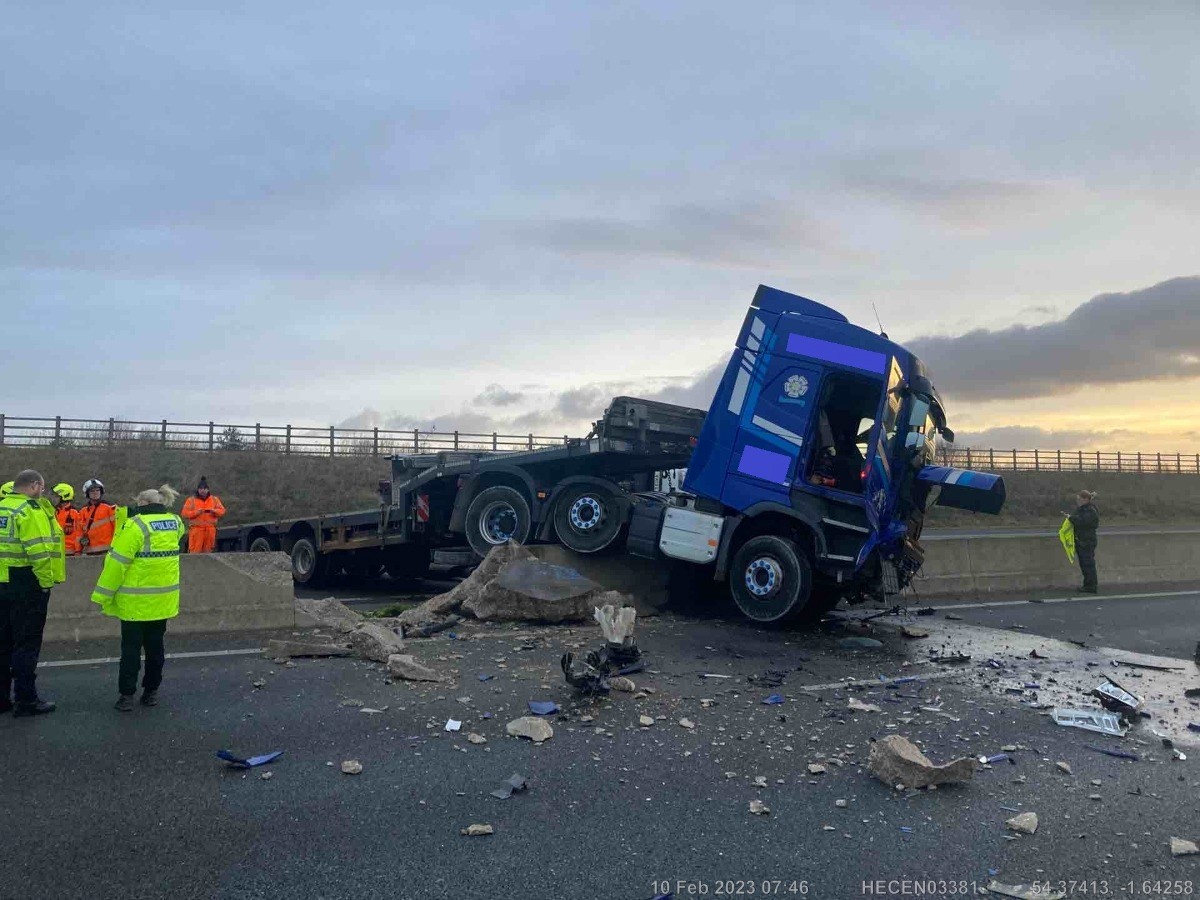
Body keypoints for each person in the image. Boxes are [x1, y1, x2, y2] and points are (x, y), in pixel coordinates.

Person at [91, 485, 185, 711]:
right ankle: (151, 693)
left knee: (131, 650)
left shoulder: (135, 526)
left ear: (141, 504)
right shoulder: (176, 523)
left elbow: (117, 563)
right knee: (156, 649)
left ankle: (126, 696)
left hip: (135, 602)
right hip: (163, 601)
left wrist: (103, 595)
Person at [0, 470, 61, 716]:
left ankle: (2, 699)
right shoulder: (29, 510)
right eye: (42, 488)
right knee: (26, 643)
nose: (42, 492)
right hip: (25, 582)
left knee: (3, 642)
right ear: (34, 485)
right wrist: (45, 583)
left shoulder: (3, 507)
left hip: (2, 580)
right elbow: (38, 552)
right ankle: (26, 700)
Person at [181, 476, 225, 553]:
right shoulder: (191, 500)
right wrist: (196, 513)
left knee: (208, 553)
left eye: (204, 489)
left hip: (210, 530)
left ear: (208, 489)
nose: (202, 490)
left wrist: (214, 511)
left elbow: (222, 511)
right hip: (196, 531)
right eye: (200, 489)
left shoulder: (215, 499)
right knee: (194, 553)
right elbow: (184, 513)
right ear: (198, 490)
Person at [1068, 489, 1100, 593]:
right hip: (1082, 541)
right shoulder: (1084, 509)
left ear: (1085, 499)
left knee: (1088, 565)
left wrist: (1071, 519)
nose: (1078, 501)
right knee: (1085, 565)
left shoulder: (1090, 510)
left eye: (1080, 499)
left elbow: (1084, 522)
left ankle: (1091, 586)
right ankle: (1087, 585)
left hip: (1087, 541)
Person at [79, 477, 118, 555]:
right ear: (87, 493)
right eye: (92, 491)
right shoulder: (83, 511)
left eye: (97, 490)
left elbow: (117, 528)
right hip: (89, 551)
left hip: (107, 550)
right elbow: (79, 531)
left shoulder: (109, 508)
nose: (95, 492)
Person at [53, 483, 83, 555]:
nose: (54, 498)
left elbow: (78, 534)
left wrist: (78, 551)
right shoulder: (52, 512)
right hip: (54, 553)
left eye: (56, 496)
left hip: (70, 554)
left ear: (64, 497)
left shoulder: (75, 513)